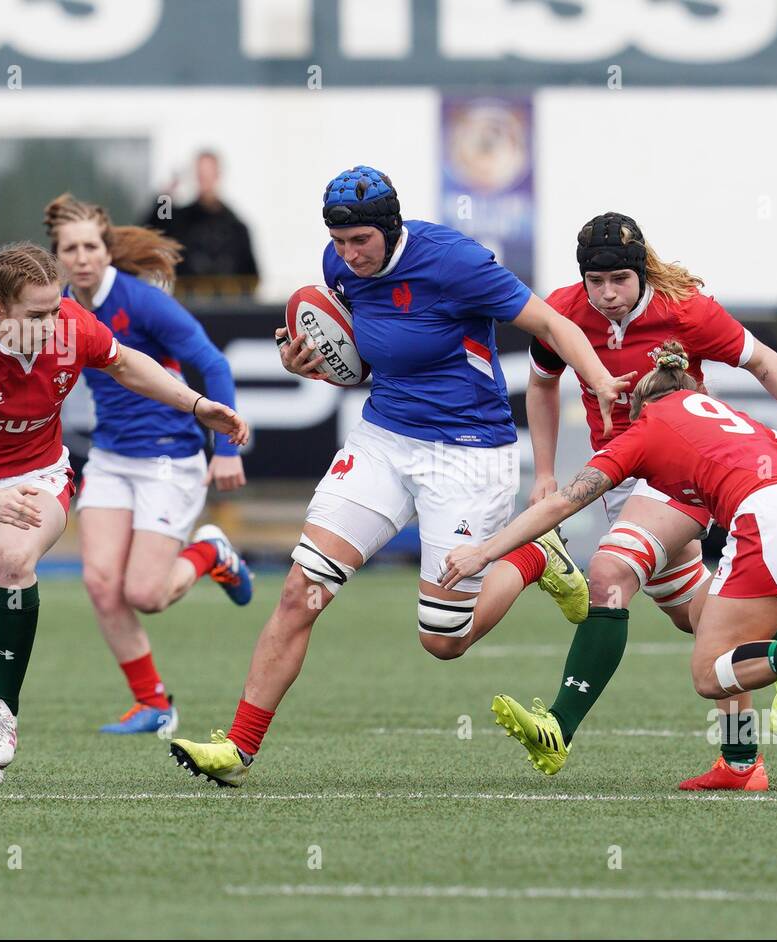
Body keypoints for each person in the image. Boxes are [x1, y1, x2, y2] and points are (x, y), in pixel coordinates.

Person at [168, 165, 633, 787]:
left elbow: (551, 324)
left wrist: (599, 381)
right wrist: (300, 358)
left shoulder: (455, 262)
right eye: (338, 241)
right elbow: (356, 358)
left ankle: (533, 560)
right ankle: (239, 747)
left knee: (443, 640)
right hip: (384, 439)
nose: (348, 254)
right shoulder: (339, 269)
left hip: (468, 452)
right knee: (301, 591)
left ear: (391, 229)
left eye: (360, 240)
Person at [495, 211, 777, 778]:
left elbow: (764, 361)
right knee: (704, 621)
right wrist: (544, 470)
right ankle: (745, 752)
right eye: (595, 282)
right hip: (621, 479)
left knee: (610, 572)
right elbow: (544, 385)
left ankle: (560, 725)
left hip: (676, 476)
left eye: (619, 279)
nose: (607, 295)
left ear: (643, 270)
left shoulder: (685, 309)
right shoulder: (566, 311)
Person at [445, 343, 777, 790]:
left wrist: (486, 550)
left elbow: (562, 504)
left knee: (709, 672)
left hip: (771, 520)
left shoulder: (645, 428)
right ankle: (741, 763)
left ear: (639, 406)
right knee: (704, 616)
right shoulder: (730, 415)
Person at [0, 242, 246, 784]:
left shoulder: (69, 324)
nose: (52, 323)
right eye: (36, 315)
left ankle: (2, 714)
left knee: (15, 560)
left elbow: (128, 363)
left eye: (55, 308)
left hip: (35, 476)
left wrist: (195, 404)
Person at [44, 193, 252, 737]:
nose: (82, 256)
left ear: (106, 249)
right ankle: (153, 703)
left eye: (91, 245)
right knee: (99, 582)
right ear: (57, 256)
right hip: (112, 458)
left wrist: (225, 450)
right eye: (71, 248)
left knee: (145, 594)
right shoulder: (60, 306)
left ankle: (211, 552)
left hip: (169, 456)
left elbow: (213, 363)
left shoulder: (141, 302)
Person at [144, 151, 259, 288]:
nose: (205, 180)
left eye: (208, 175)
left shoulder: (236, 227)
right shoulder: (181, 220)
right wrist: (166, 196)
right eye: (201, 175)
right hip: (189, 302)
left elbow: (251, 276)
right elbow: (153, 229)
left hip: (227, 305)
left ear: (218, 175)